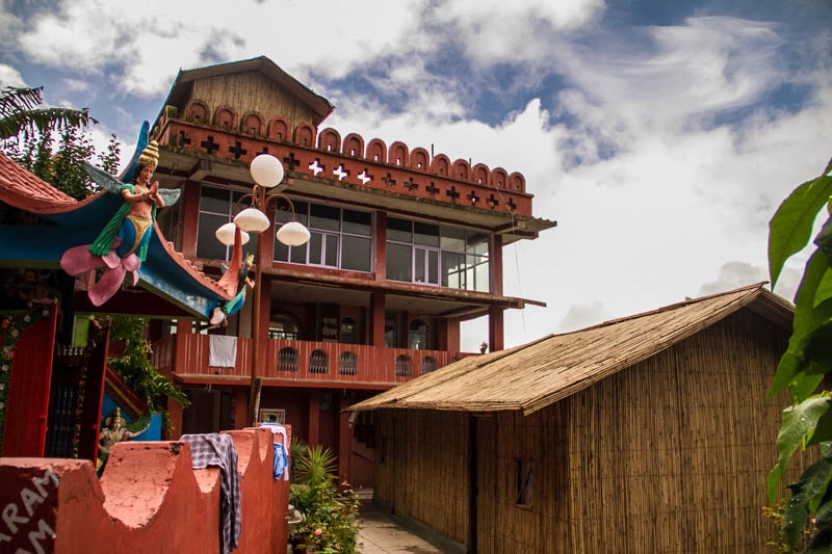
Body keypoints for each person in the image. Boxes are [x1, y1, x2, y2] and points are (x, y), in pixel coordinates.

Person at [89, 140, 165, 261]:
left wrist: (155, 194)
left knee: (139, 246)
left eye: (151, 172)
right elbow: (129, 198)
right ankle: (115, 259)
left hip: (147, 223)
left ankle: (124, 262)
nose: (148, 174)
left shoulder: (151, 192)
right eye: (145, 170)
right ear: (139, 171)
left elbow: (161, 204)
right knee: (128, 242)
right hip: (132, 220)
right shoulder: (130, 187)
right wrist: (146, 194)